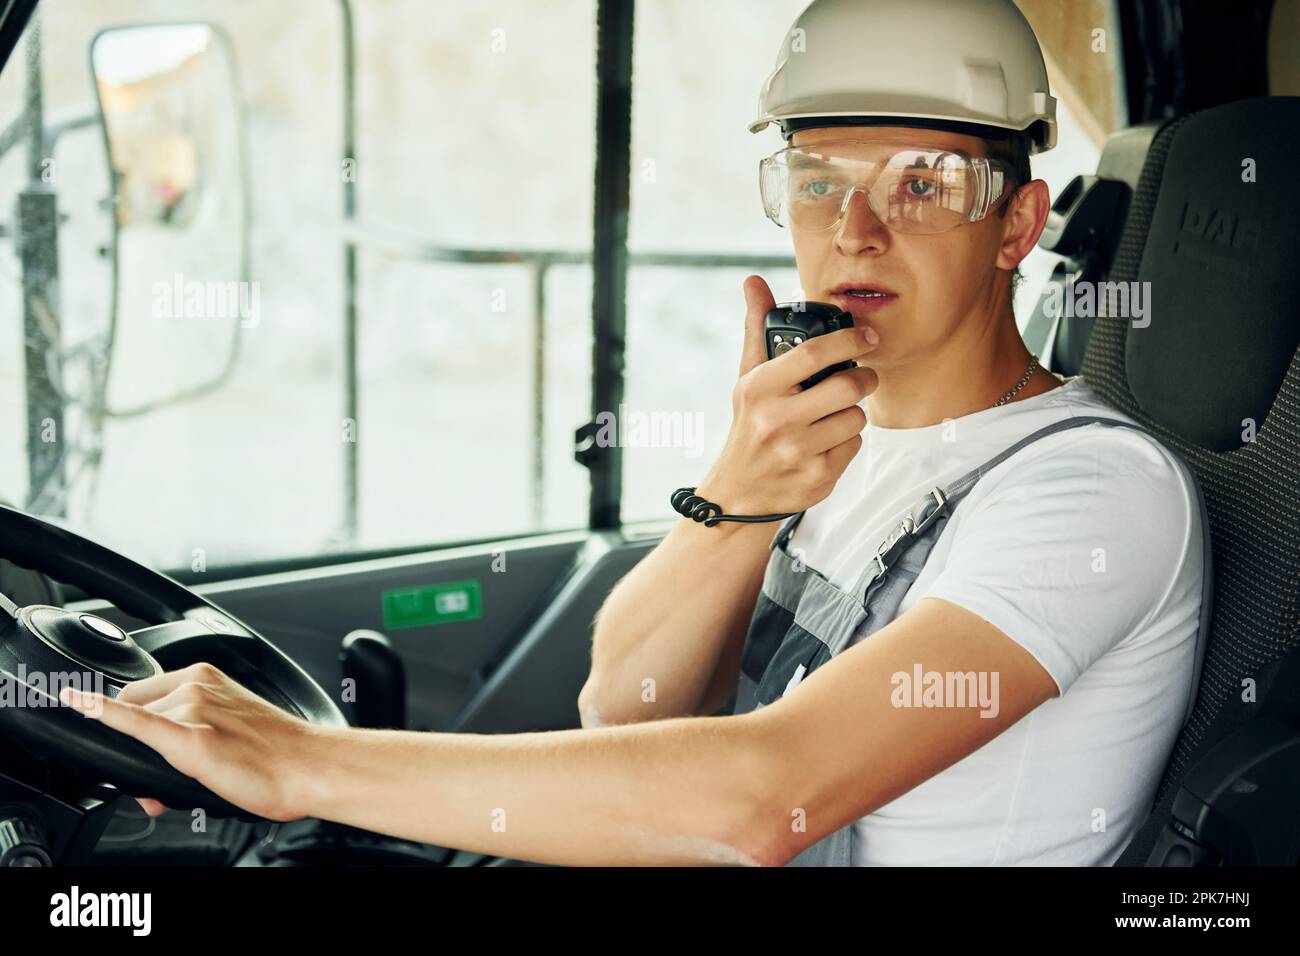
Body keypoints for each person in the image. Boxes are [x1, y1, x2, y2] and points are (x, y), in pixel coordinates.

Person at [63, 0, 1206, 866]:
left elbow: (769, 794)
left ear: (1016, 223)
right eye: (816, 180)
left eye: (922, 184)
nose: (853, 230)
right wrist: (739, 490)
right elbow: (625, 708)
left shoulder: (1096, 490)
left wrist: (299, 759)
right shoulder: (818, 430)